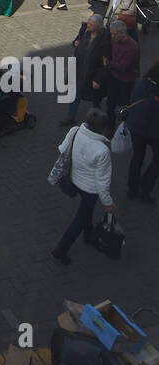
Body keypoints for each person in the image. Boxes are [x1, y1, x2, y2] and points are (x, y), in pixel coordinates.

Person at [51, 109, 114, 265]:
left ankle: (88, 233)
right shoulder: (102, 150)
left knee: (86, 213)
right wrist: (108, 203)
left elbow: (62, 149)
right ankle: (61, 249)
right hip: (90, 189)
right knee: (81, 217)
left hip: (74, 178)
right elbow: (102, 181)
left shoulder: (75, 131)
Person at [64, 15, 110, 127]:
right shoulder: (86, 33)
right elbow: (77, 39)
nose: (88, 26)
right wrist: (75, 43)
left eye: (91, 24)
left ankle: (97, 121)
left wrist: (98, 79)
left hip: (93, 75)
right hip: (79, 71)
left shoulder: (104, 39)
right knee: (75, 95)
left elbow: (104, 63)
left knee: (95, 99)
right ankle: (71, 117)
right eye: (88, 23)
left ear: (98, 26)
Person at [125, 63, 159, 203]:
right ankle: (145, 189)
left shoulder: (139, 83)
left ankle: (132, 189)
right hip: (153, 131)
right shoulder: (155, 92)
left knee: (137, 157)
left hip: (136, 128)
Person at [102, 20, 140, 124]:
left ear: (123, 33)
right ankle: (110, 126)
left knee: (124, 106)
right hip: (114, 78)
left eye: (115, 34)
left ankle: (124, 128)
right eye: (111, 34)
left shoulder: (132, 47)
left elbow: (123, 67)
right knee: (110, 104)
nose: (112, 37)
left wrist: (108, 63)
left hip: (127, 82)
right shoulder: (115, 41)